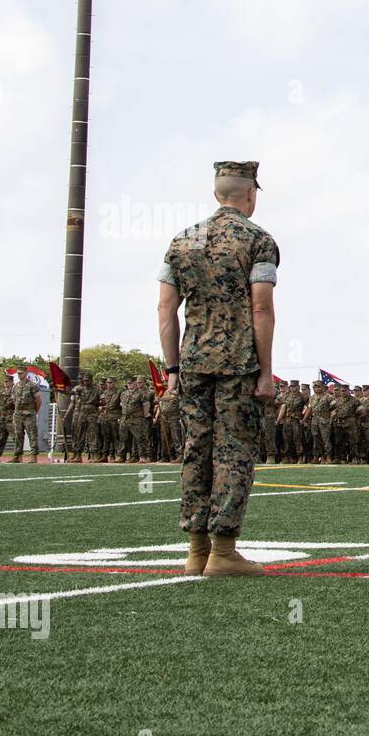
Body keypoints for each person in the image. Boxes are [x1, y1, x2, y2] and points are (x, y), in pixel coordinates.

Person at [157, 159, 278, 578]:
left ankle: (195, 551)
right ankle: (223, 553)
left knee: (196, 451)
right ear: (250, 194)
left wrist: (172, 369)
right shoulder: (258, 240)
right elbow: (261, 307)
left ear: (216, 193)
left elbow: (165, 309)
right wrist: (265, 372)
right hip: (238, 365)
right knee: (233, 453)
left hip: (191, 363)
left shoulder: (181, 241)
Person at [9, 374, 41, 463]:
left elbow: (38, 401)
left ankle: (33, 456)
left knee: (32, 435)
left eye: (21, 373)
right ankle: (17, 456)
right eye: (18, 373)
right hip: (18, 414)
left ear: (26, 373)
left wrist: (35, 411)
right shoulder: (15, 386)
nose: (20, 375)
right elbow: (14, 400)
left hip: (29, 413)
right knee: (18, 435)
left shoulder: (33, 385)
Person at [0, 376, 14, 463]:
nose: (6, 383)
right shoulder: (1, 391)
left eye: (7, 381)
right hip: (2, 417)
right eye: (4, 381)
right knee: (0, 437)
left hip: (11, 417)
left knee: (16, 437)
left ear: (12, 382)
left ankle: (17, 456)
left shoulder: (15, 391)